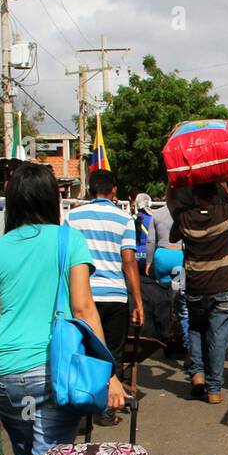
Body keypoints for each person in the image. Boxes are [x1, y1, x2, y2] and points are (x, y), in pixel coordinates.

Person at [0, 163, 127, 455]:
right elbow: (83, 308)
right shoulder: (69, 240)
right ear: (52, 198)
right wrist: (109, 374)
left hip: (4, 374)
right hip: (50, 370)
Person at [167, 152, 228, 404]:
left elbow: (171, 199)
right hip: (223, 286)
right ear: (215, 192)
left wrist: (174, 175)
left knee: (196, 329)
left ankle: (197, 374)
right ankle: (214, 389)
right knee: (218, 335)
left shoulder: (184, 217)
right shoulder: (224, 212)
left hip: (195, 285)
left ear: (194, 194)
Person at [67, 170, 143, 424]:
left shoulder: (71, 217)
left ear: (89, 191)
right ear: (113, 191)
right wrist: (138, 301)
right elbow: (129, 261)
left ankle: (80, 413)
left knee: (82, 352)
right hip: (114, 296)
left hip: (81, 296)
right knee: (113, 353)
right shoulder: (124, 219)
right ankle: (107, 409)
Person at [145, 200, 187, 354]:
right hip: (179, 256)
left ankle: (166, 339)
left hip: (161, 256)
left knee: (165, 299)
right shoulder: (184, 212)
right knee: (181, 300)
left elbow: (150, 241)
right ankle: (184, 340)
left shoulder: (157, 214)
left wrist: (149, 262)